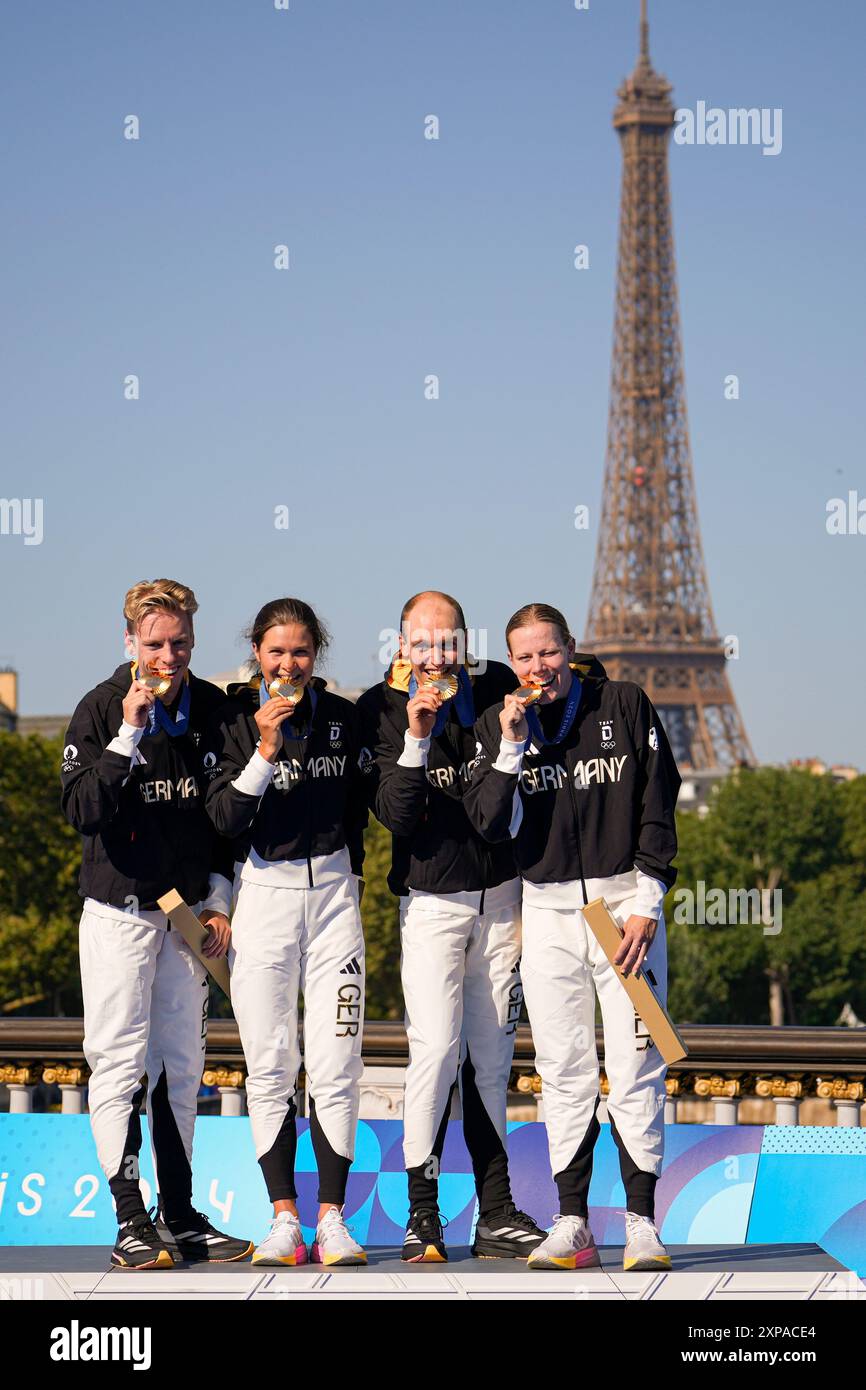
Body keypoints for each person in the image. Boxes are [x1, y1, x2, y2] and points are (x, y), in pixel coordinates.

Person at [463, 603, 680, 1272]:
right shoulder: (500, 726)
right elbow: (489, 823)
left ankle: (642, 1222)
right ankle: (573, 1220)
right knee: (562, 1070)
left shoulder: (626, 702)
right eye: (524, 657)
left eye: (548, 653)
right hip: (550, 914)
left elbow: (658, 801)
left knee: (640, 1063)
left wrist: (648, 900)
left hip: (624, 912)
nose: (537, 668)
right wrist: (507, 746)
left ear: (570, 648)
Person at [61, 578, 253, 1269]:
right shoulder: (99, 707)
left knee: (184, 1068)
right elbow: (82, 809)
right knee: (117, 1066)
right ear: (130, 642)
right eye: (155, 644)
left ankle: (180, 1214)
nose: (168, 656)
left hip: (187, 919)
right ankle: (129, 1219)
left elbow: (228, 821)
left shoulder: (212, 708)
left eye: (179, 643)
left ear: (193, 641)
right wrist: (128, 734)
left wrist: (221, 901)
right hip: (118, 913)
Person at [357, 591, 545, 1262]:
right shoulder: (378, 712)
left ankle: (494, 1212)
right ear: (402, 648)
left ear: (466, 643)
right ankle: (423, 1213)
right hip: (432, 901)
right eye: (423, 643)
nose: (437, 655)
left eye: (448, 641)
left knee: (493, 1059)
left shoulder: (497, 685)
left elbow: (565, 689)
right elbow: (397, 817)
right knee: (434, 1051)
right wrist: (414, 737)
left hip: (502, 897)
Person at [204, 598, 369, 1267]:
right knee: (270, 1064)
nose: (288, 664)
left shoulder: (344, 719)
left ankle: (332, 1218)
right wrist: (266, 750)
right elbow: (222, 818)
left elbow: (366, 808)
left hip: (334, 895)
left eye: (300, 651)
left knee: (337, 1063)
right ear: (257, 654)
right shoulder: (235, 720)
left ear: (316, 654)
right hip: (263, 897)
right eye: (276, 652)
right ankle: (283, 1220)